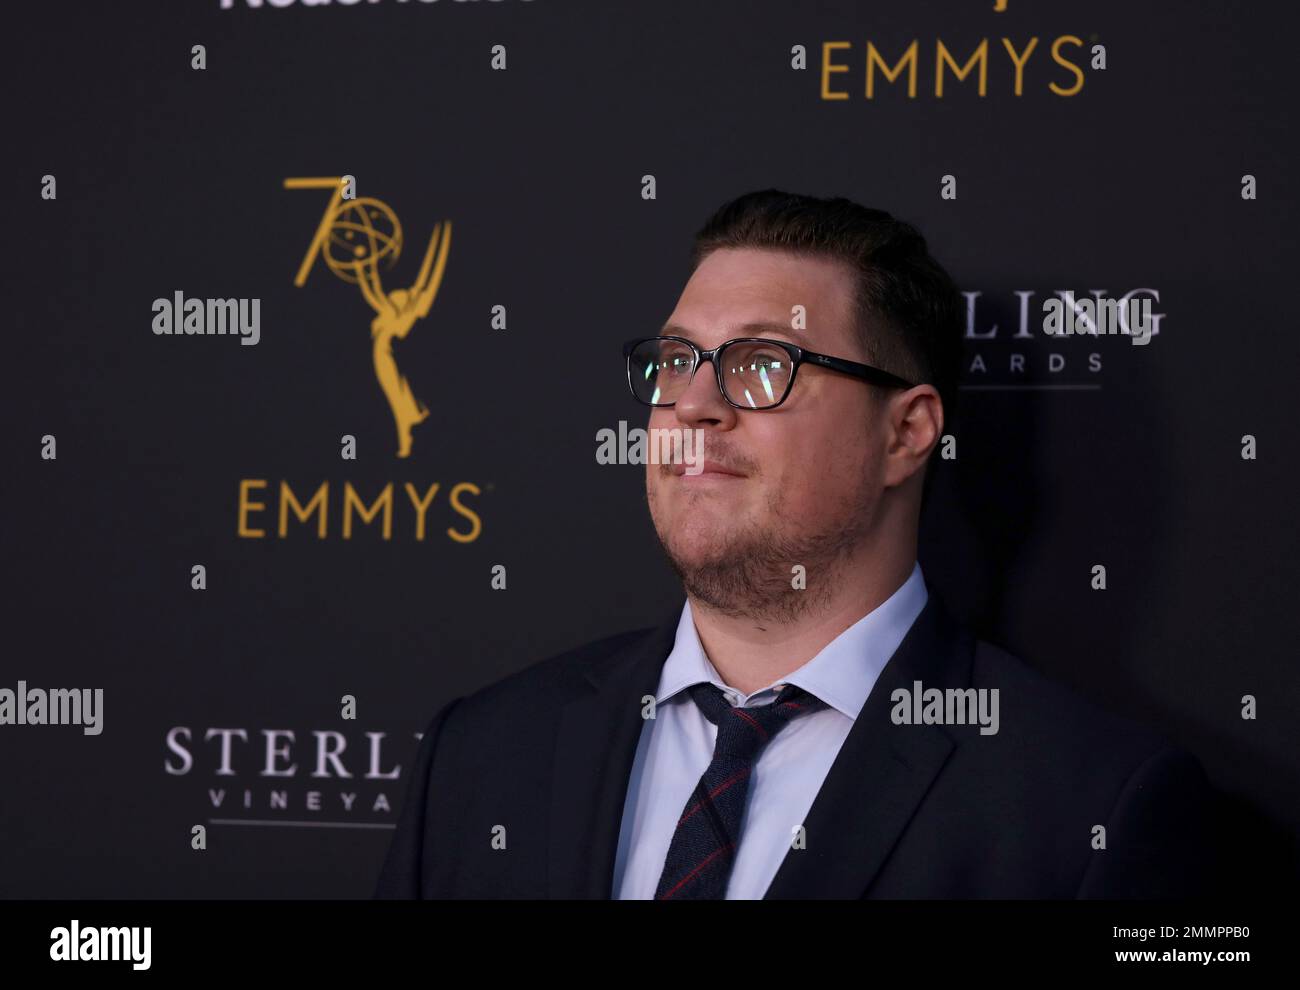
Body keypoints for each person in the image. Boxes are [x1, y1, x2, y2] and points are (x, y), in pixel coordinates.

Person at [375, 189, 1219, 899]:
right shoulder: (482, 753)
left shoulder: (1095, 806)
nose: (693, 405)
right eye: (675, 360)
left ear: (907, 431)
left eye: (760, 362)